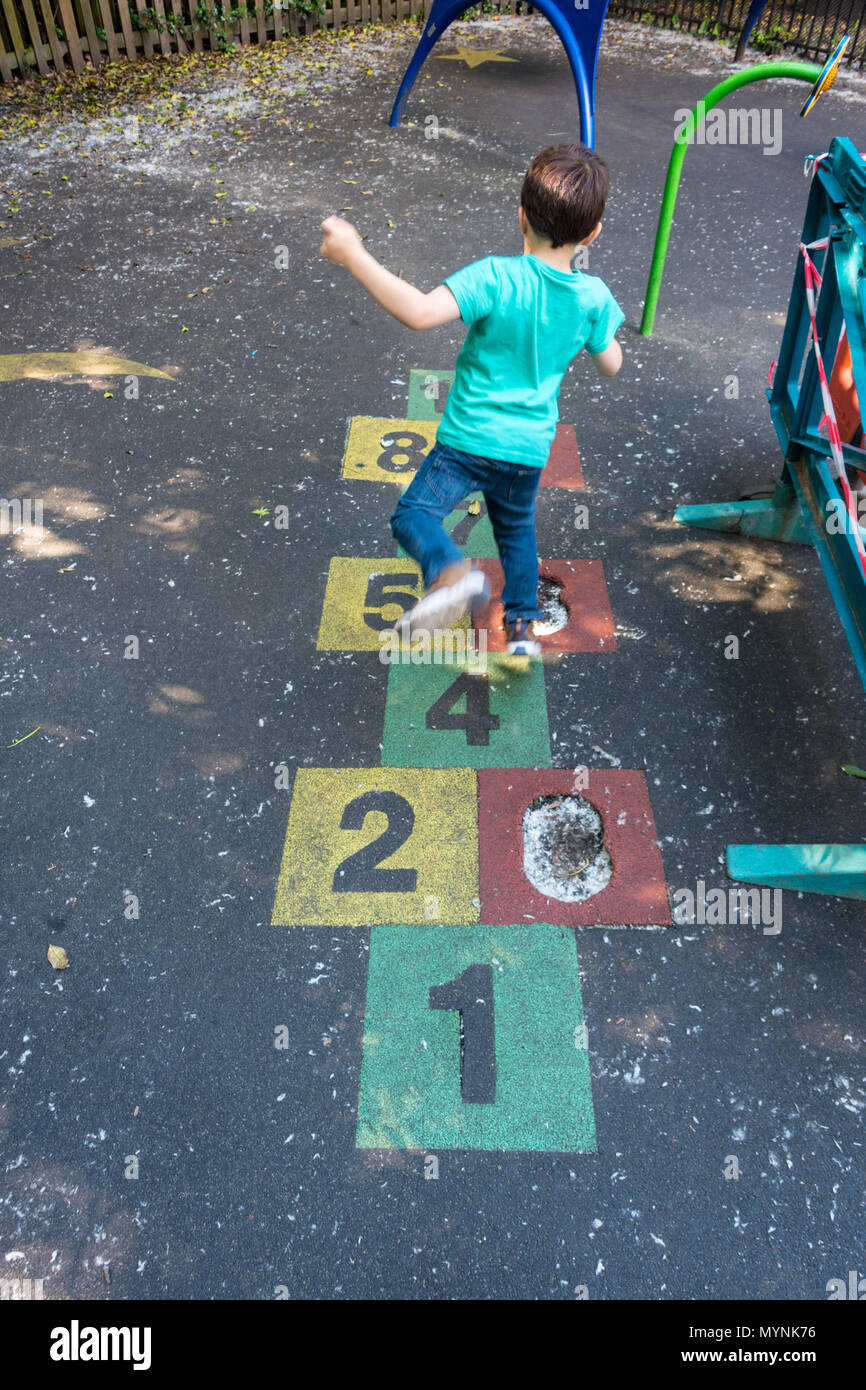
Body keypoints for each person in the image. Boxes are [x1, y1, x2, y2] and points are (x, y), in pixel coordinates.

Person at [320, 143, 623, 656]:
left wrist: (353, 255)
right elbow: (610, 363)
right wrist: (595, 338)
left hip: (466, 439)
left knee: (414, 516)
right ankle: (524, 629)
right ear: (592, 234)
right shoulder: (593, 298)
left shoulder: (494, 277)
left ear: (521, 216)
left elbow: (417, 313)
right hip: (526, 449)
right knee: (516, 533)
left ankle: (449, 571)